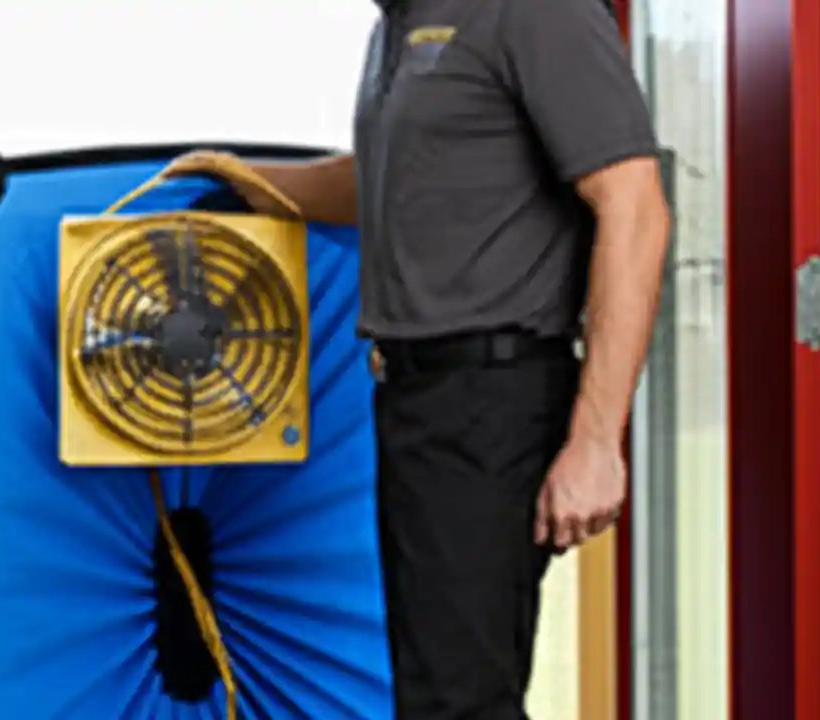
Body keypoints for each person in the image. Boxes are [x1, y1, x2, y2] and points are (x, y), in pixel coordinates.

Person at [166, 0, 669, 716]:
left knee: (458, 698)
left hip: (490, 396)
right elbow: (384, 182)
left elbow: (634, 205)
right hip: (414, 399)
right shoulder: (395, 28)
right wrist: (240, 180)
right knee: (440, 687)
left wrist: (596, 442)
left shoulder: (531, 11)